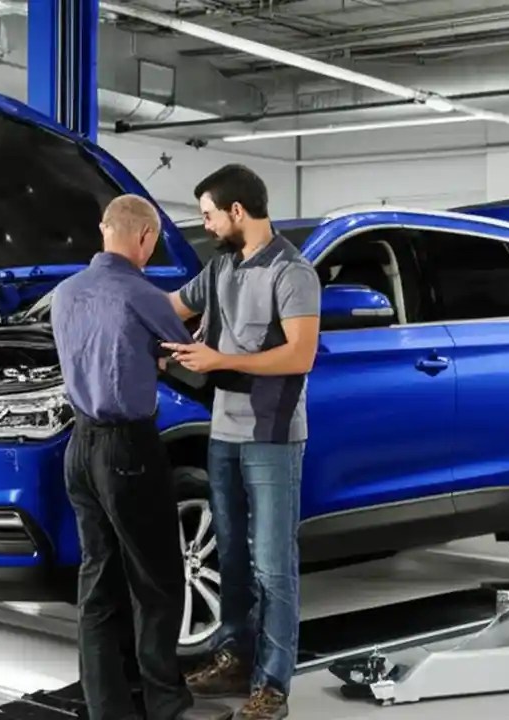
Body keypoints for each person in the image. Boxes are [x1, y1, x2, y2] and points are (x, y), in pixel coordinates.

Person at [51, 194, 231, 720]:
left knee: (98, 579)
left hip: (79, 448)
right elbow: (193, 363)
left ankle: (107, 705)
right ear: (146, 238)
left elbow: (107, 350)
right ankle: (167, 702)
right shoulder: (142, 292)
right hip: (127, 448)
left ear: (105, 229)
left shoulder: (63, 294)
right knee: (156, 580)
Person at [164, 165, 321, 720]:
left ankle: (273, 685)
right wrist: (106, 297)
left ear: (237, 211)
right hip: (224, 433)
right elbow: (170, 308)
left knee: (274, 563)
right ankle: (234, 657)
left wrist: (219, 359)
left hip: (272, 436)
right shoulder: (220, 267)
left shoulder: (293, 272)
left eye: (208, 214)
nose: (204, 225)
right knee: (229, 554)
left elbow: (300, 355)